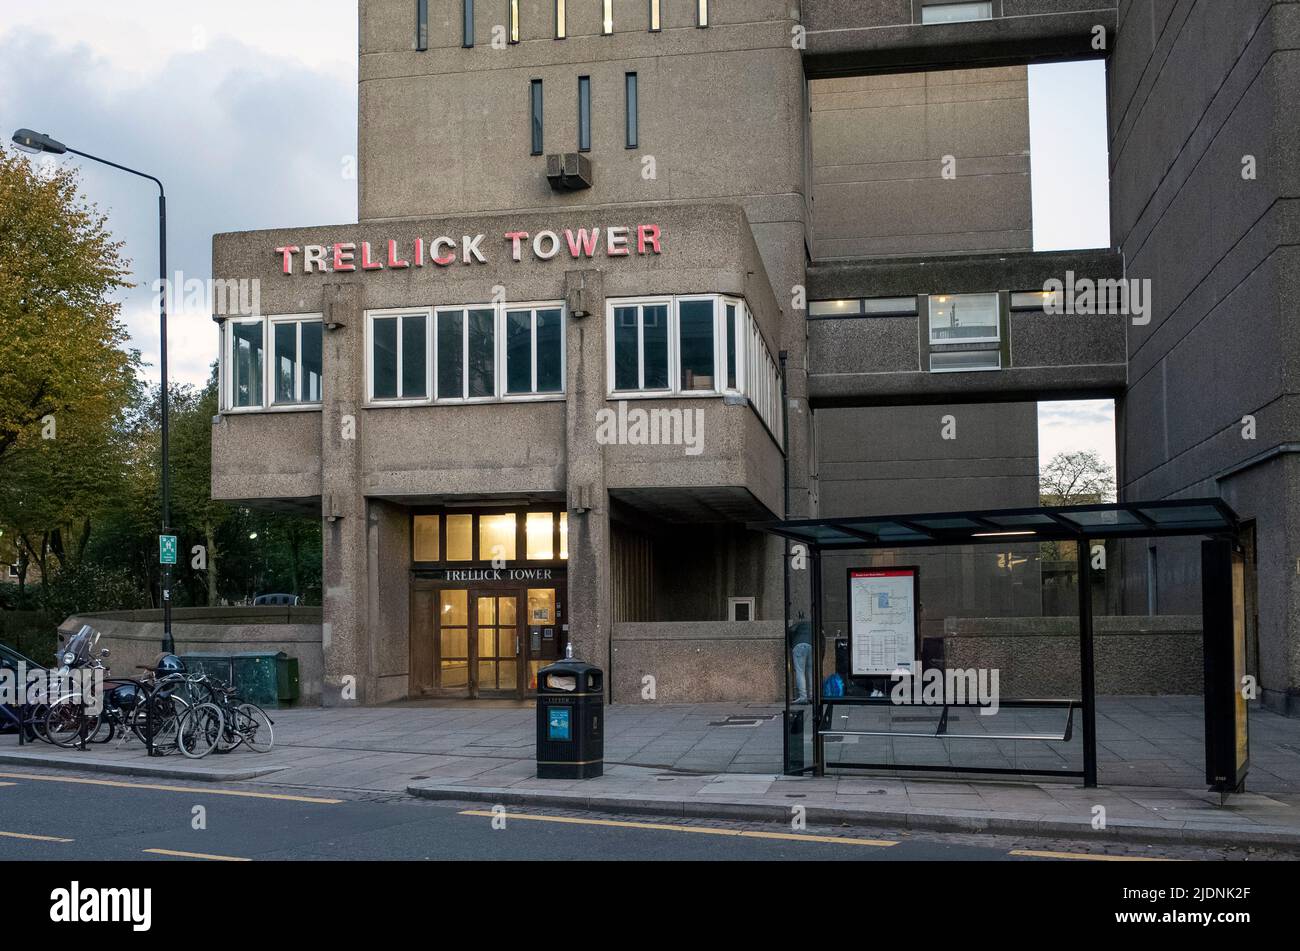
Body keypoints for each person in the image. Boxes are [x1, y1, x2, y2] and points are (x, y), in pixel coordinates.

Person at [789, 616, 813, 704]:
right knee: (811, 672)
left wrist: (792, 645)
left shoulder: (798, 625)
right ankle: (812, 695)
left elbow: (790, 631)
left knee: (800, 672)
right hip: (811, 646)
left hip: (798, 645)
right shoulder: (813, 625)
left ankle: (803, 697)